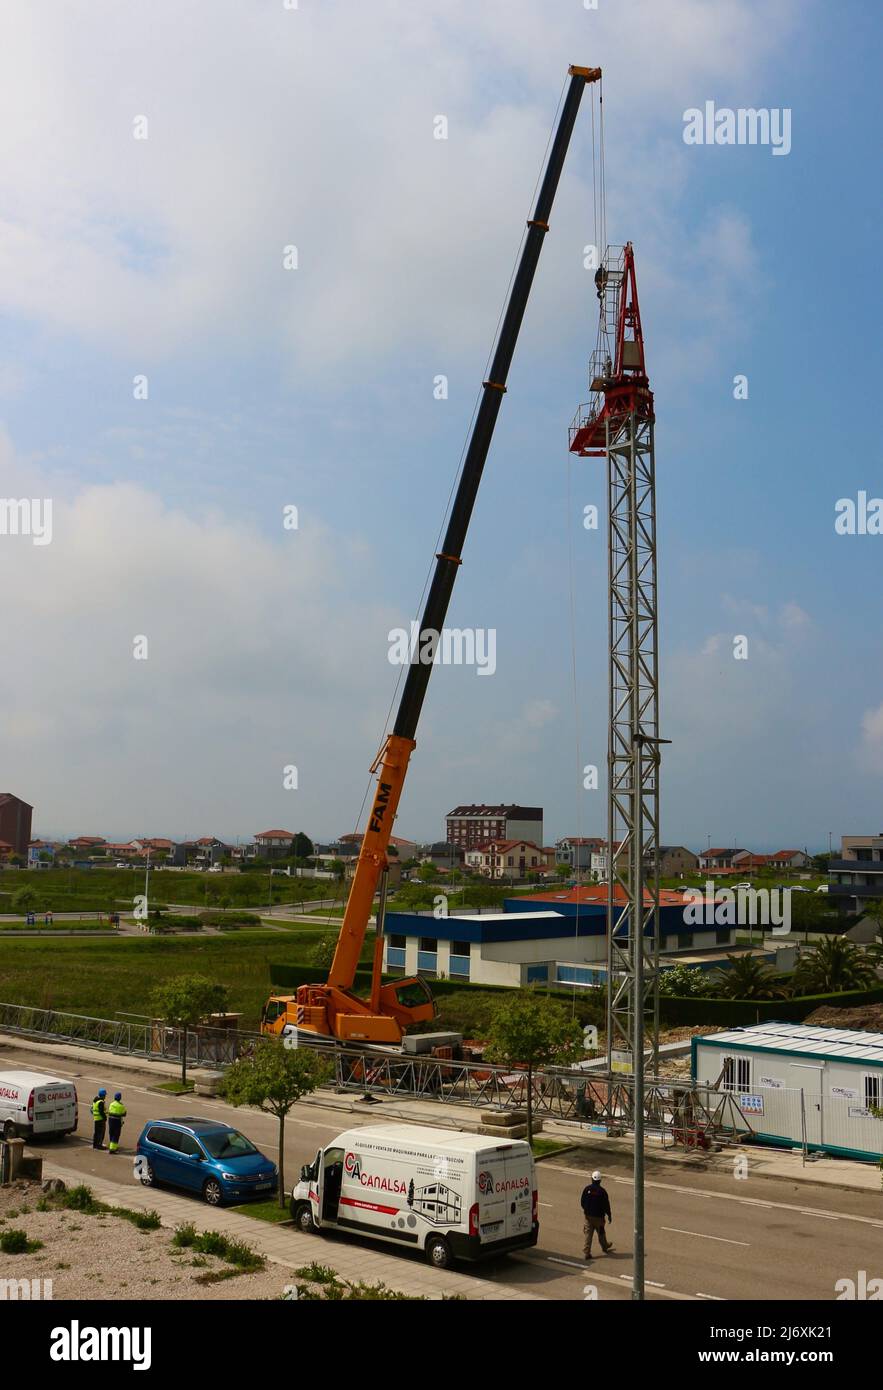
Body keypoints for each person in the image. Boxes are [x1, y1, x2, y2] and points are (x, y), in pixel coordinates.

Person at [580, 1169, 613, 1258]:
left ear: (592, 1179)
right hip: (599, 1218)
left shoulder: (587, 1189)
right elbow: (606, 1205)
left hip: (588, 1217)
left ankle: (587, 1252)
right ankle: (605, 1246)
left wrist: (587, 1210)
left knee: (588, 1234)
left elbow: (582, 1202)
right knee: (601, 1233)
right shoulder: (602, 1192)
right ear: (600, 1180)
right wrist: (609, 1215)